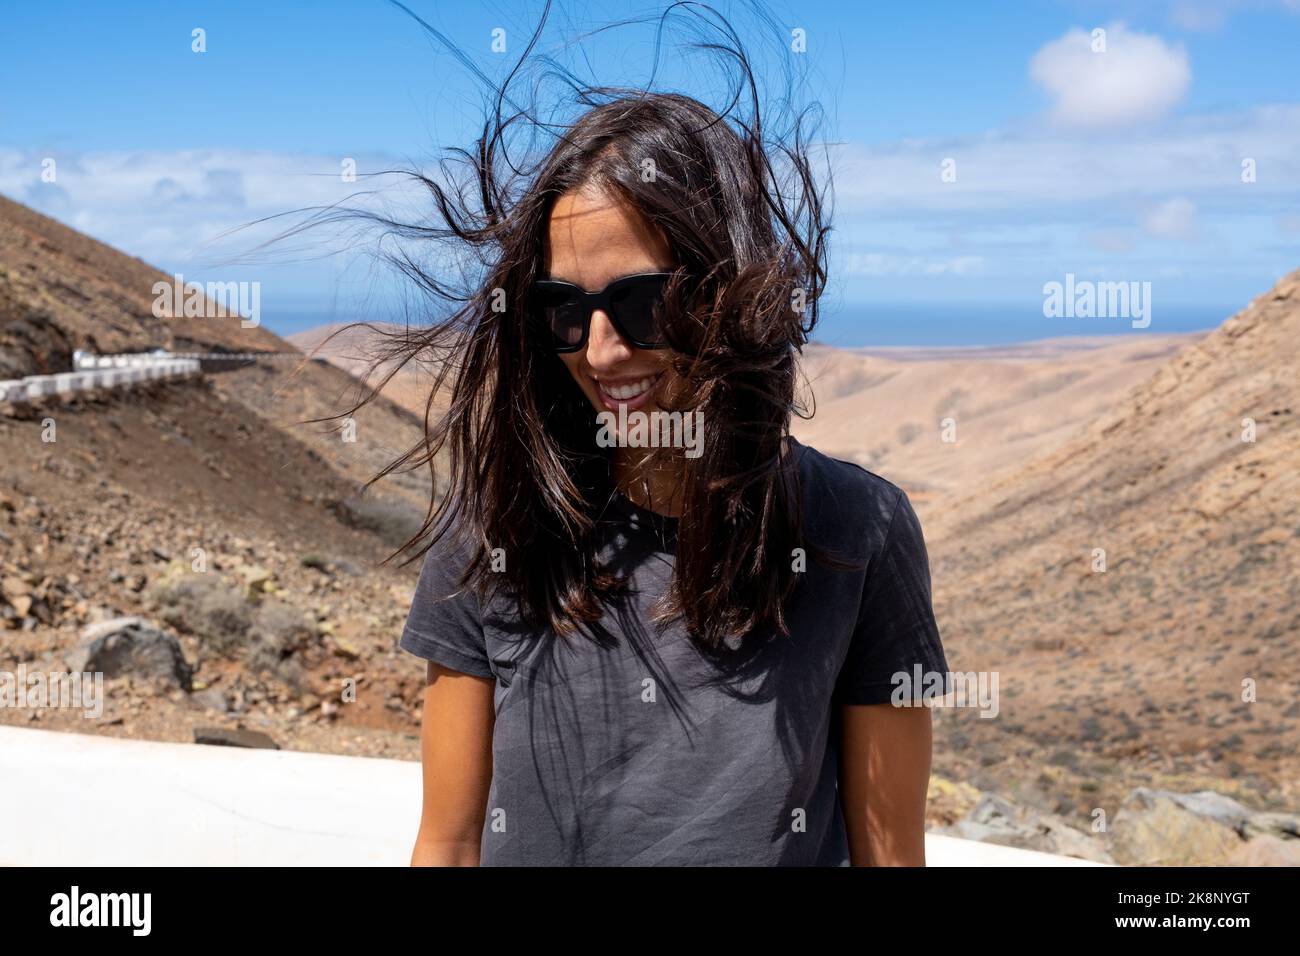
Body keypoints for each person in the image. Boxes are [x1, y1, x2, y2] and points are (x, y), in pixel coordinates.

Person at [382, 73, 949, 864]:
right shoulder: (498, 529)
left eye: (643, 302)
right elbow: (448, 842)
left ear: (730, 289)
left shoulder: (858, 530)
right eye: (565, 310)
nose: (602, 350)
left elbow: (892, 857)